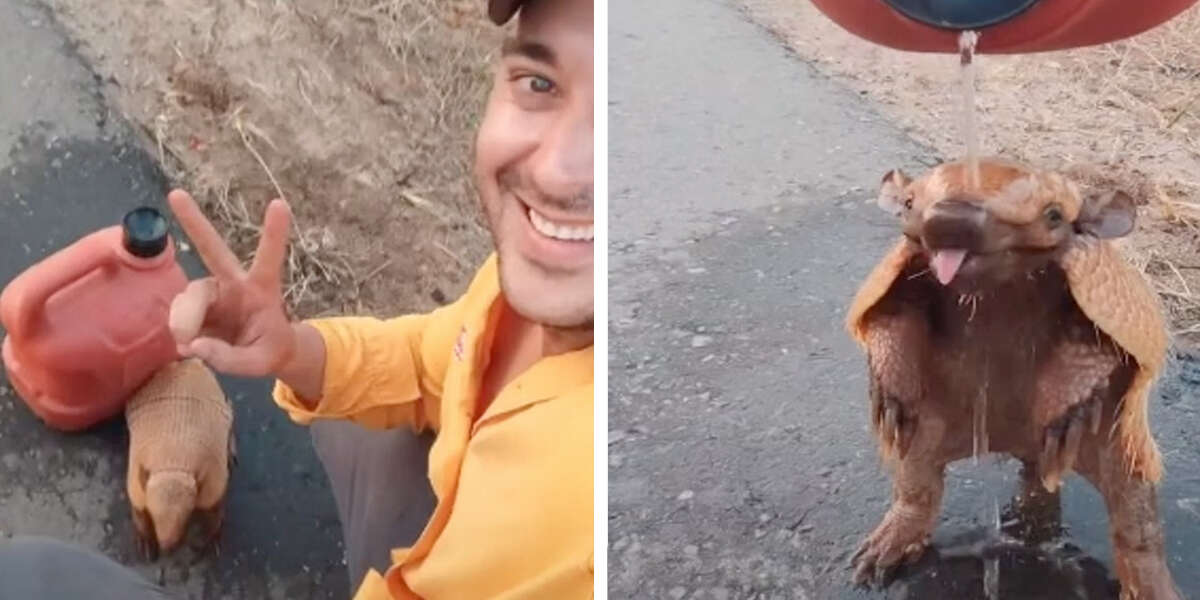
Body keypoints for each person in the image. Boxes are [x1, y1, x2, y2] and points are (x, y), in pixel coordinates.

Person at [0, 0, 593, 598]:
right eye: (540, 82)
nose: (556, 172)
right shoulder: (521, 280)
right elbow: (427, 363)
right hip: (442, 533)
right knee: (349, 427)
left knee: (25, 577)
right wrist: (292, 349)